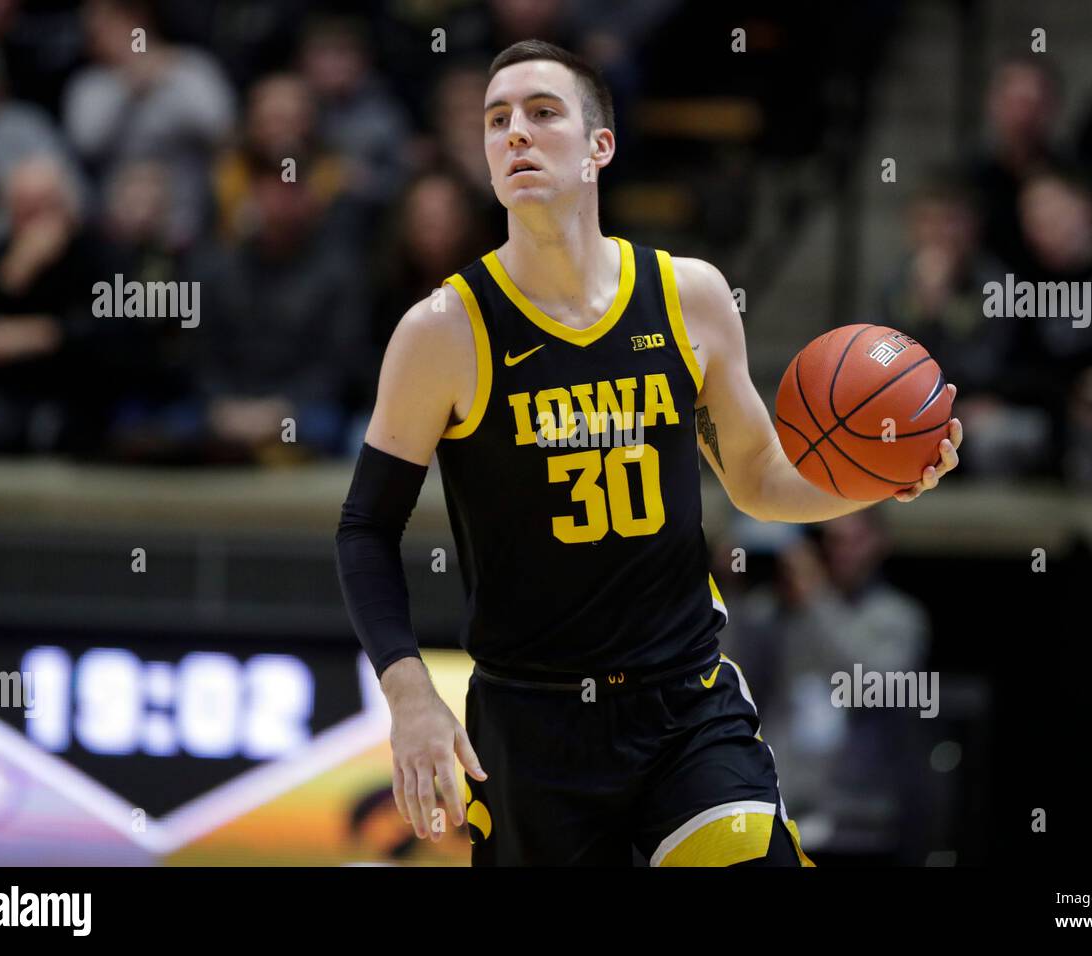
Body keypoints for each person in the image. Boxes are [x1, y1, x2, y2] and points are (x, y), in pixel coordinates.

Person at [335, 40, 962, 867]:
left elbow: (762, 481)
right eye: (497, 120)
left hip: (684, 705)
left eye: (542, 112)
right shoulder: (443, 333)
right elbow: (363, 530)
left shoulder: (688, 297)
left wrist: (877, 478)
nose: (515, 132)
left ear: (601, 146)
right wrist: (409, 691)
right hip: (532, 724)